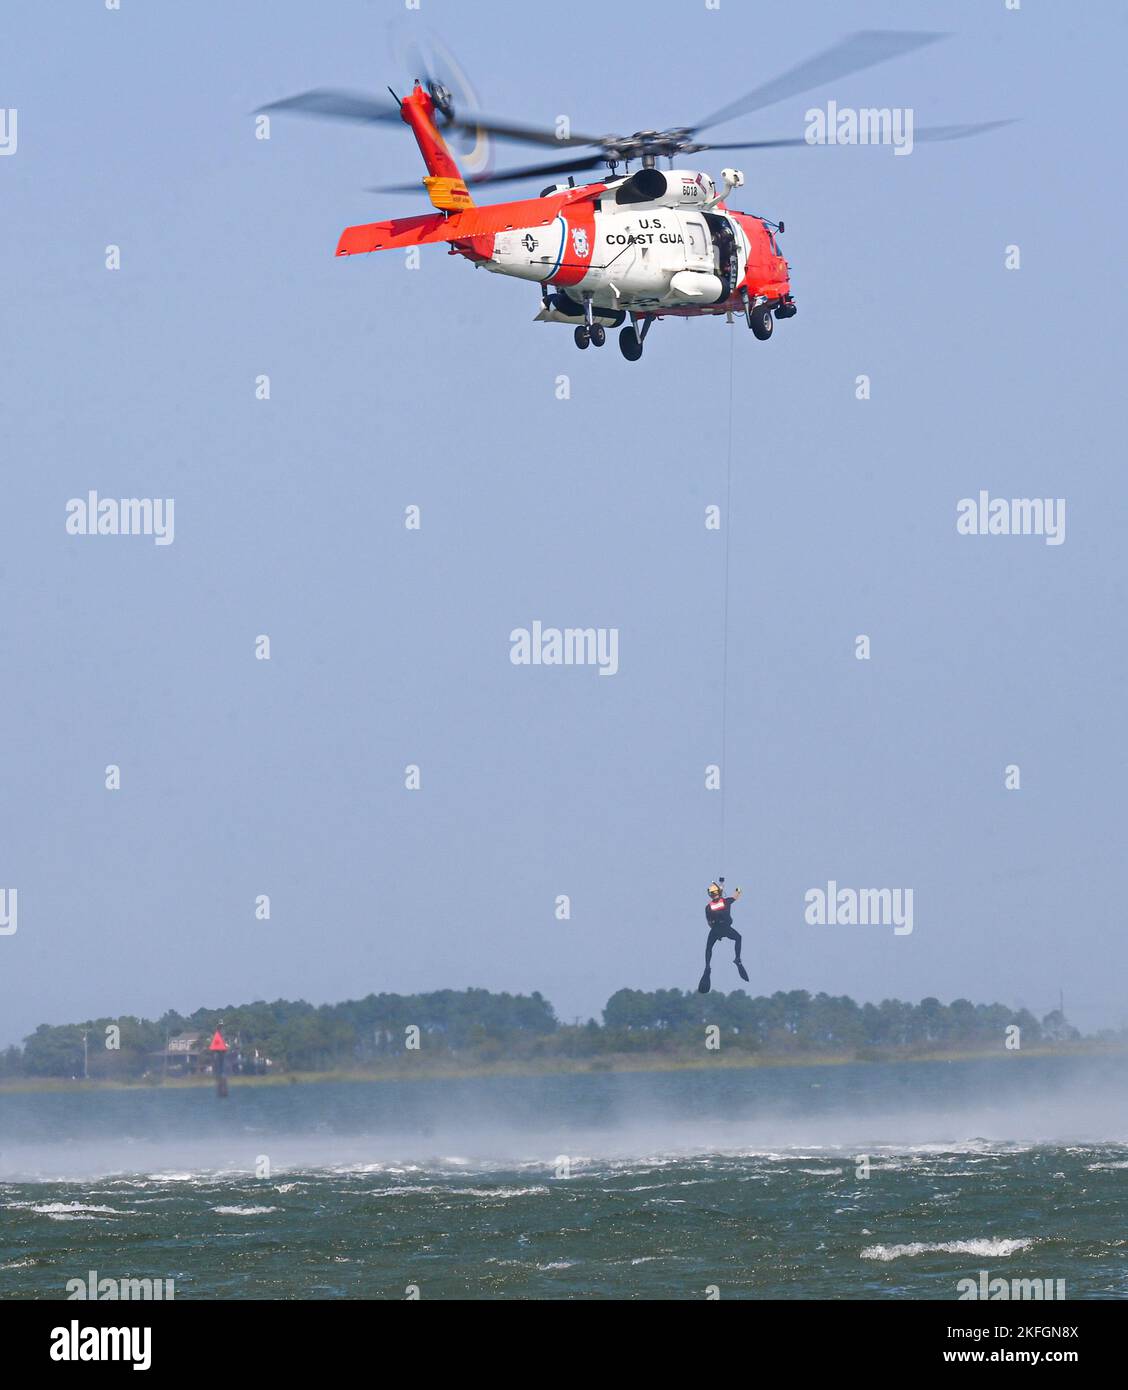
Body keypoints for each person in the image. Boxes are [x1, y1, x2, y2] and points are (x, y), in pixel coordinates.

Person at [699, 881, 749, 993]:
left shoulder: (708, 907)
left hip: (715, 929)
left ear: (710, 894)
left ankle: (707, 966)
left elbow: (709, 923)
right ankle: (737, 958)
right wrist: (739, 889)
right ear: (719, 892)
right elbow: (736, 895)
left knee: (708, 948)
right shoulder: (726, 902)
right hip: (726, 928)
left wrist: (717, 933)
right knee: (738, 938)